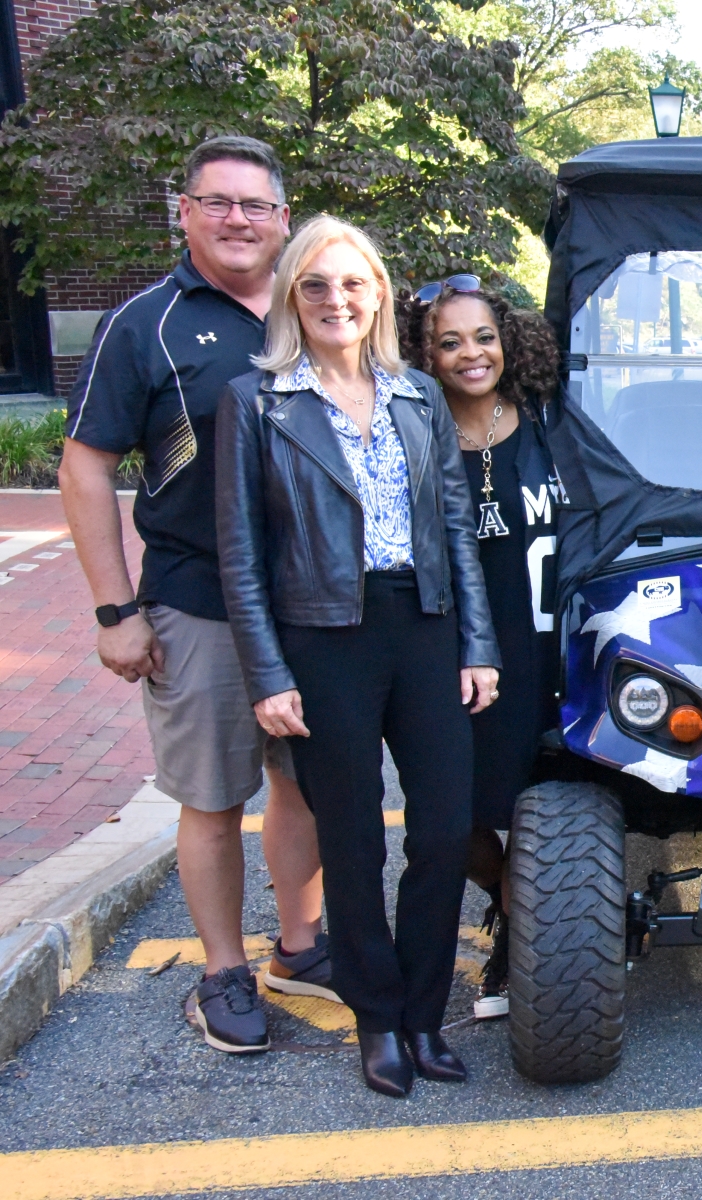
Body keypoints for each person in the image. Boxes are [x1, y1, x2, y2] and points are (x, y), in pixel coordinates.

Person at [215, 215, 500, 1097]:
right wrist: (267, 673)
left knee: (446, 830)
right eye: (315, 285)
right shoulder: (256, 402)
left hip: (423, 625)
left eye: (352, 284)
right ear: (294, 298)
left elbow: (455, 529)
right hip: (320, 636)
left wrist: (477, 645)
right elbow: (241, 551)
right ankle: (376, 1020)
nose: (336, 300)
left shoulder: (416, 395)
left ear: (377, 292)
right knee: (351, 840)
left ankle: (422, 1013)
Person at [60, 136, 333, 1056]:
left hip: (313, 605)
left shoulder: (317, 306)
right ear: (183, 213)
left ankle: (301, 947)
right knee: (215, 797)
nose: (238, 220)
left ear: (283, 219)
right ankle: (223, 972)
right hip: (198, 600)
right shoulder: (146, 324)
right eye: (217, 202)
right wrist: (114, 609)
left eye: (256, 205)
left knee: (304, 788)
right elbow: (86, 467)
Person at [399, 277, 563, 1021]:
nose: (472, 354)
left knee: (545, 795)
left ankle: (529, 938)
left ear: (509, 340)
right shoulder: (411, 432)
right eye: (450, 341)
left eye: (484, 336)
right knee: (453, 808)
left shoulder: (550, 421)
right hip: (460, 650)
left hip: (550, 643)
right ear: (424, 355)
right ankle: (513, 903)